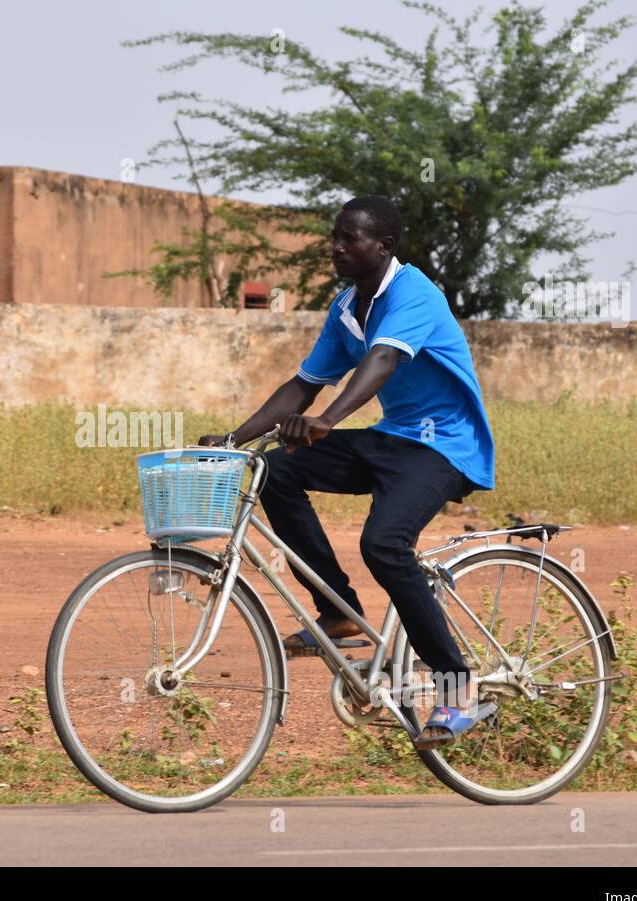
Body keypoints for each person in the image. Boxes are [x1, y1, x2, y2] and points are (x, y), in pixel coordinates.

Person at [198, 195, 496, 749]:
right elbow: (304, 384)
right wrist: (233, 441)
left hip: (445, 448)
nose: (336, 247)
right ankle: (338, 613)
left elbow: (382, 362)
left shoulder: (415, 294)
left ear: (383, 247)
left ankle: (458, 689)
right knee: (273, 470)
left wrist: (327, 421)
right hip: (392, 439)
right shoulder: (345, 309)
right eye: (333, 237)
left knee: (384, 544)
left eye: (349, 239)